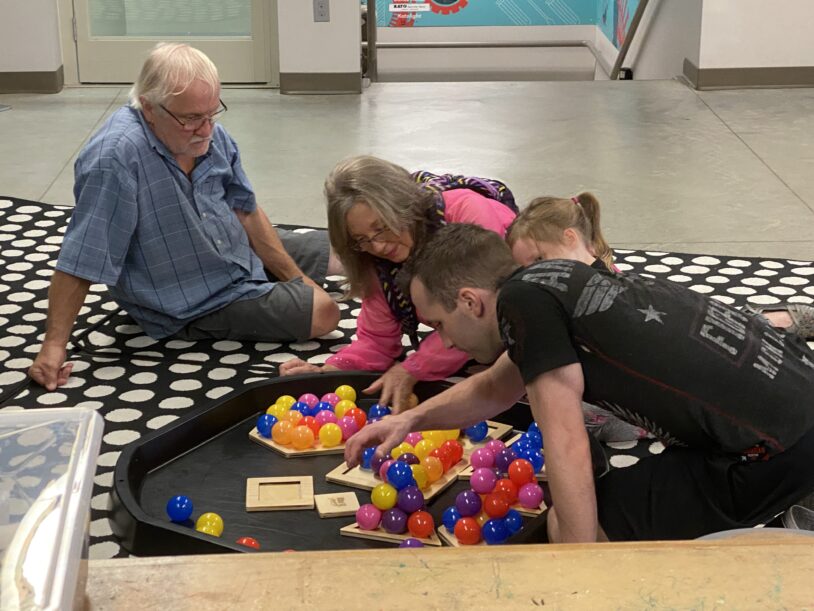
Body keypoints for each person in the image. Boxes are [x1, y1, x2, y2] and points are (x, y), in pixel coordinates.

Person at [345, 223, 814, 543]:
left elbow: (565, 442)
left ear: (470, 302)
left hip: (775, 451)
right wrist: (411, 419)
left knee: (576, 529)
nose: (441, 340)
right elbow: (494, 389)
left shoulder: (521, 311)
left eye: (438, 324)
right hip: (797, 392)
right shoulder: (546, 281)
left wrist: (577, 563)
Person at [28, 43, 341, 391]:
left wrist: (296, 278)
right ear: (148, 106)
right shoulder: (115, 159)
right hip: (191, 297)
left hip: (228, 247)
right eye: (191, 118)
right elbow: (83, 256)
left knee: (346, 245)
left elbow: (245, 209)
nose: (206, 129)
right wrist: (54, 345)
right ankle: (208, 316)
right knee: (323, 312)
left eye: (212, 114)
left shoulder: (210, 134)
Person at [279, 156, 517, 410]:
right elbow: (376, 340)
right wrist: (329, 372)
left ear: (404, 206)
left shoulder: (468, 215)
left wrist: (413, 367)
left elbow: (473, 318)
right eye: (361, 239)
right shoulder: (375, 260)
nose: (378, 246)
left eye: (381, 228)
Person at [508, 193, 814, 340]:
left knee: (729, 331)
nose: (533, 275)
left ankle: (777, 319)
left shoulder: (594, 284)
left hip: (678, 326)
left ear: (570, 238)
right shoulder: (562, 291)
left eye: (539, 260)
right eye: (525, 270)